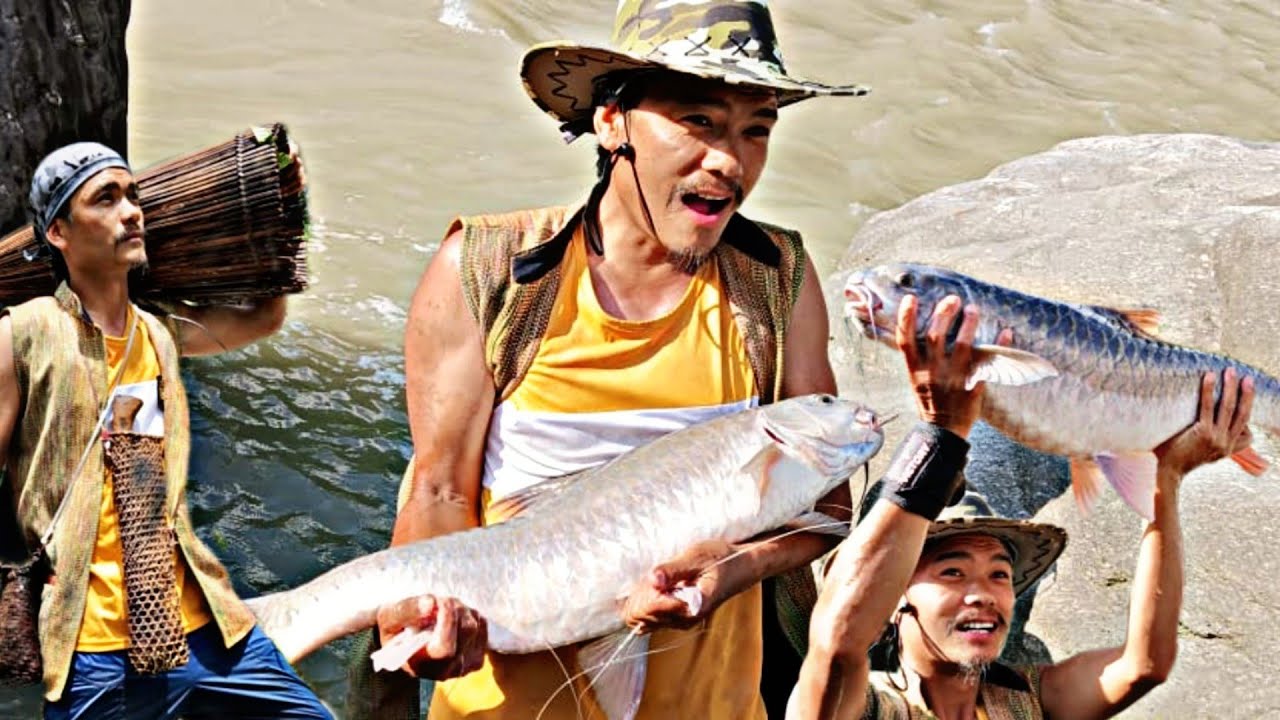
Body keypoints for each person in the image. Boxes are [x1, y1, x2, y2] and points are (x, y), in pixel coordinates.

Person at [367, 1, 873, 717]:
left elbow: (824, 506)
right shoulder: (490, 270)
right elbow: (441, 492)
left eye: (755, 131)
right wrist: (421, 626)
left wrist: (725, 574)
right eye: (699, 121)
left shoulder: (774, 276)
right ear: (611, 121)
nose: (729, 162)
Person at [787, 290, 1257, 720]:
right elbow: (837, 642)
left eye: (1000, 574)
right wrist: (943, 432)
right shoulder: (861, 706)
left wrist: (1168, 478)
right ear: (895, 600)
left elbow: (1144, 665)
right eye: (952, 571)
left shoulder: (1029, 701)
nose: (983, 594)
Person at [0, 142, 332, 719]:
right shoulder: (22, 336)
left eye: (133, 195)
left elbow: (265, 316)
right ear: (58, 233)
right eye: (106, 199)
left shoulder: (159, 333)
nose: (131, 210)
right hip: (94, 650)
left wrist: (287, 204)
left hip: (204, 627)